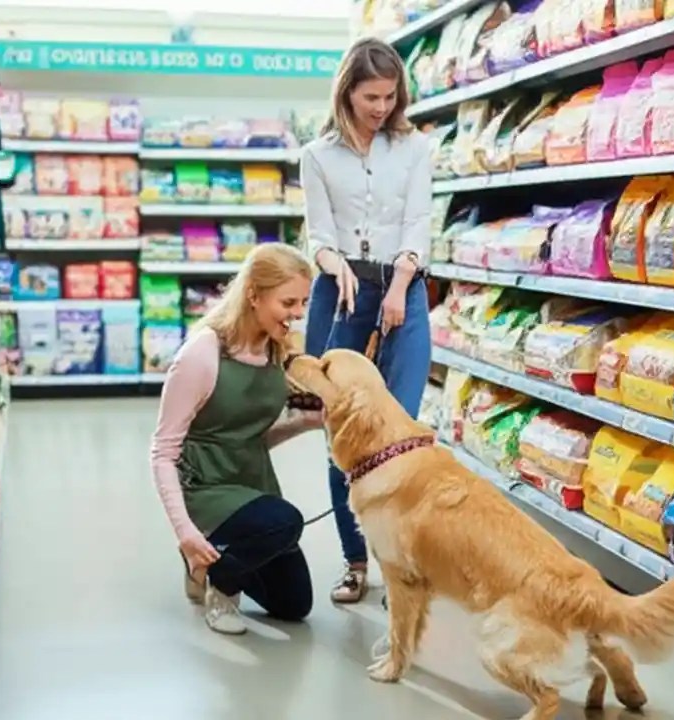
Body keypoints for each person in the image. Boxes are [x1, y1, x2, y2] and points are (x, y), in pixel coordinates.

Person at [301, 36, 434, 604]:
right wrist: (337, 268)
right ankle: (355, 561)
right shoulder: (317, 155)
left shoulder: (414, 148)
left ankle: (399, 562)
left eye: (389, 96)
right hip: (339, 294)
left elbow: (419, 222)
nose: (382, 107)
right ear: (347, 92)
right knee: (344, 435)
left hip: (405, 289)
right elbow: (318, 234)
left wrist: (401, 282)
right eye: (370, 97)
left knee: (399, 435)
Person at [149, 244, 322, 635]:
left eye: (303, 302)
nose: (298, 314)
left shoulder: (277, 348)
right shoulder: (203, 353)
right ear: (253, 295)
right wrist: (186, 532)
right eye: (289, 302)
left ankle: (213, 563)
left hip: (252, 483)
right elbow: (162, 453)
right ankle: (221, 587)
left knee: (294, 605)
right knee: (286, 522)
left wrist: (305, 423)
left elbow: (248, 437)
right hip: (206, 487)